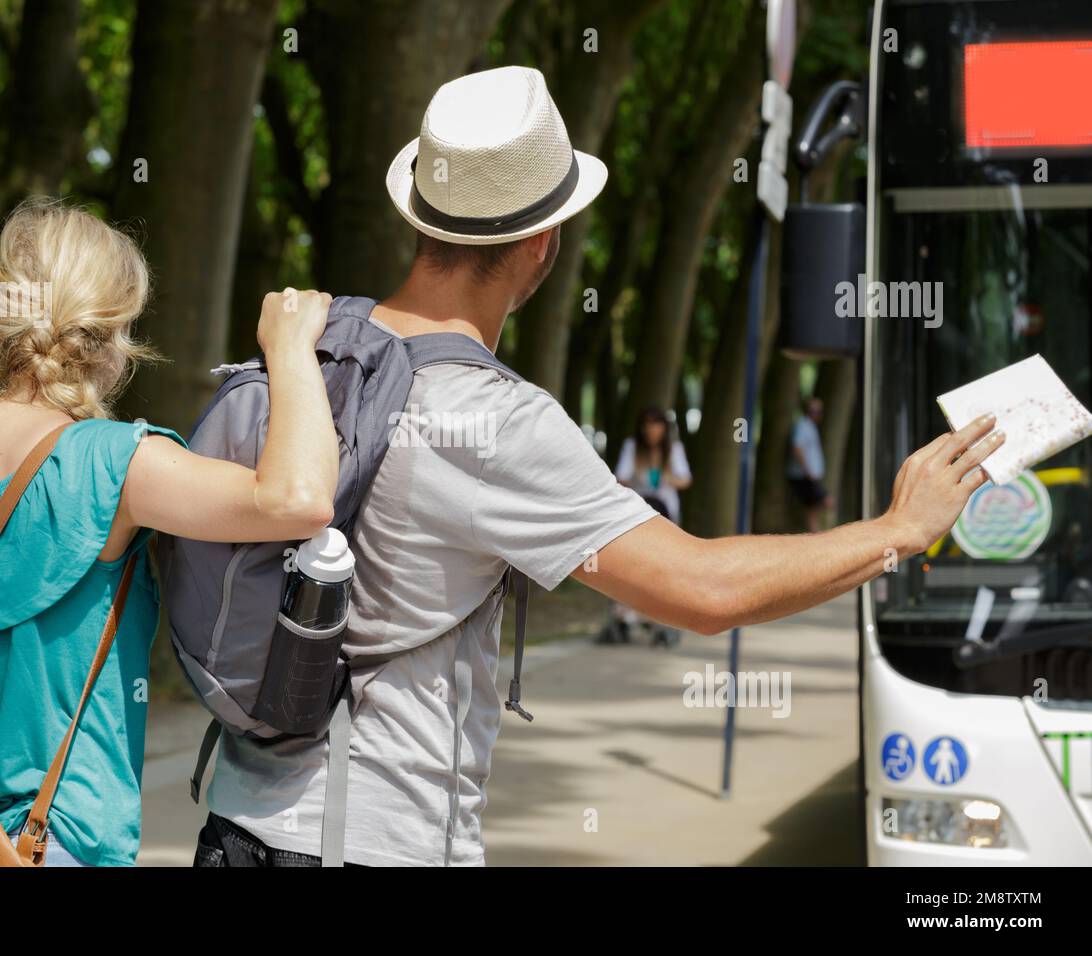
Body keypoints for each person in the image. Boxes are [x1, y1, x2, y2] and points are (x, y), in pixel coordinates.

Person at [193, 65, 1003, 867]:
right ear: (543, 245)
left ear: (420, 219)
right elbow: (703, 591)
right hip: (369, 840)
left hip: (233, 820)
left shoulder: (312, 349)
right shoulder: (498, 421)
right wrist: (900, 530)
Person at [0, 199, 339, 866]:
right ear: (110, 338)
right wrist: (289, 349)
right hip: (50, 845)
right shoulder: (109, 467)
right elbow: (298, 499)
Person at [599, 407, 692, 645]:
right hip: (638, 511)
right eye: (648, 424)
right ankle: (627, 613)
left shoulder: (674, 449)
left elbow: (685, 479)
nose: (652, 430)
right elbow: (621, 476)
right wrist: (638, 475)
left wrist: (667, 477)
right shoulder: (633, 447)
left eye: (656, 424)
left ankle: (658, 614)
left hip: (665, 512)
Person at [787, 396, 834, 532]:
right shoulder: (803, 426)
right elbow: (797, 447)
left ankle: (815, 533)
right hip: (805, 476)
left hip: (810, 476)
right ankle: (817, 533)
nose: (819, 415)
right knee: (825, 502)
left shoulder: (810, 427)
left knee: (812, 508)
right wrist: (807, 470)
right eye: (816, 411)